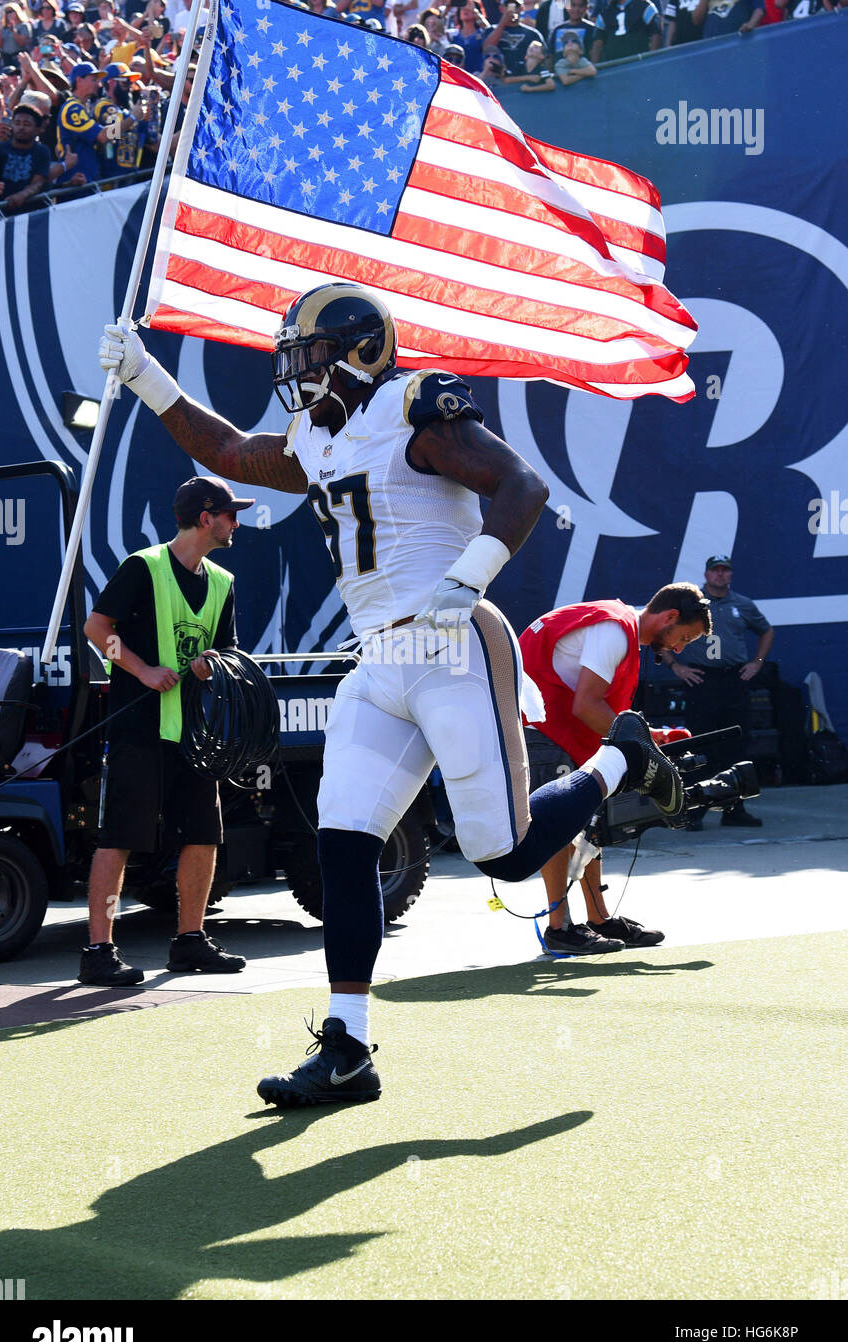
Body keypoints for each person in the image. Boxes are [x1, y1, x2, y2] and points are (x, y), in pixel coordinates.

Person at [98, 281, 685, 1104]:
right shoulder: (317, 436)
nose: (298, 371)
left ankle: (623, 758)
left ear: (362, 351)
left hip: (451, 644)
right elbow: (231, 453)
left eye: (312, 355)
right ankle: (348, 1045)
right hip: (378, 659)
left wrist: (469, 572)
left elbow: (521, 486)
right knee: (344, 846)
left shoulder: (412, 407)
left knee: (506, 854)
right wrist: (146, 379)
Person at [79, 476, 254, 987]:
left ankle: (190, 941)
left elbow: (227, 653)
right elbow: (97, 630)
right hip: (138, 729)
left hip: (194, 735)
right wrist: (142, 670)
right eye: (229, 513)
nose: (236, 522)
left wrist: (209, 665)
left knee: (204, 836)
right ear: (206, 518)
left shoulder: (222, 582)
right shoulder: (144, 567)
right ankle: (98, 950)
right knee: (120, 839)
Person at [519, 583, 710, 952]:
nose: (679, 648)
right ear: (669, 617)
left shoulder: (620, 629)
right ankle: (559, 929)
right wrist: (644, 749)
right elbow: (587, 706)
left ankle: (599, 919)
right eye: (683, 637)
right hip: (543, 731)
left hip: (558, 728)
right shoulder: (615, 630)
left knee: (588, 825)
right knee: (560, 827)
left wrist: (649, 736)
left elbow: (601, 712)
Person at [663, 554, 773, 828]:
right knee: (699, 746)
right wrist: (676, 666)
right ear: (707, 573)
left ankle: (734, 809)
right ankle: (693, 811)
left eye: (725, 570)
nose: (720, 575)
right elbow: (662, 634)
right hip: (702, 681)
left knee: (736, 746)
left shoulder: (742, 604)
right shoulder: (691, 603)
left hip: (734, 680)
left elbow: (767, 631)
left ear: (730, 575)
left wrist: (756, 664)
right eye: (716, 570)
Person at [0, 100, 51, 210]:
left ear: (37, 129)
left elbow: (38, 183)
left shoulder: (42, 151)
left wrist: (22, 195)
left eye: (27, 124)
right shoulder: (0, 147)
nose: (21, 128)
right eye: (17, 123)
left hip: (27, 212)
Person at [590, 0, 662, 60]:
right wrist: (595, 66)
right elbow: (598, 43)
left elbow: (656, 33)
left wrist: (651, 59)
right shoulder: (604, 13)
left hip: (638, 62)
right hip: (613, 66)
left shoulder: (644, 6)